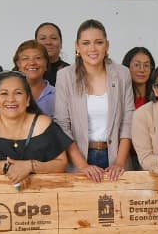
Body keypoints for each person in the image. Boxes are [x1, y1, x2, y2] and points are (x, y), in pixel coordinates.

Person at [54, 19, 133, 181]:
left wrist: (119, 163)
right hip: (79, 159)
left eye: (98, 42)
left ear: (107, 45)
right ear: (77, 46)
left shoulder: (122, 74)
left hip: (116, 160)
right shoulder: (65, 76)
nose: (92, 48)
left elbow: (128, 122)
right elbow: (63, 125)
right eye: (86, 43)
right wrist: (83, 165)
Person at [0, 71, 72, 185]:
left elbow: (61, 163)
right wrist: (8, 168)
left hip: (42, 194)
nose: (11, 99)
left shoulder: (43, 124)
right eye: (4, 93)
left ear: (28, 99)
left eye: (18, 93)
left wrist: (30, 166)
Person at [13, 39, 56, 115]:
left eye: (38, 58)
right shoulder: (9, 95)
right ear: (18, 64)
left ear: (46, 64)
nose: (32, 62)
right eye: (25, 58)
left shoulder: (58, 95)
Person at [35, 21, 70, 85]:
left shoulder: (70, 72)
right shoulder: (27, 70)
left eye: (53, 38)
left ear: (61, 43)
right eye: (43, 38)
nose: (48, 42)